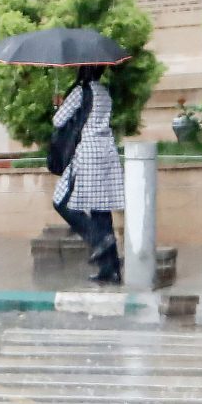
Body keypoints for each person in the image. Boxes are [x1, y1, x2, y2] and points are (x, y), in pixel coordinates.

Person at [51, 67, 125, 283]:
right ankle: (110, 270)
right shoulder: (104, 92)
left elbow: (58, 120)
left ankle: (99, 239)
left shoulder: (80, 91)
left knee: (62, 202)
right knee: (101, 209)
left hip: (87, 153)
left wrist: (58, 105)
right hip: (107, 152)